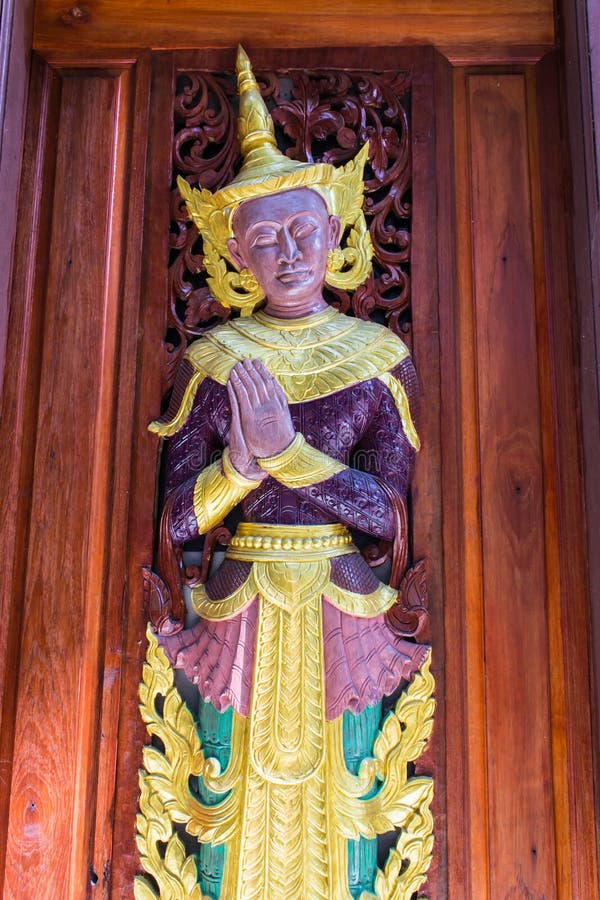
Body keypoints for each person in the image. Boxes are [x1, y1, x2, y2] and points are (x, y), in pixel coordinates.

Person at [148, 46, 429, 900]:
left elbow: (387, 515)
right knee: (227, 789)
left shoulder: (377, 358)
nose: (288, 252)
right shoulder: (217, 359)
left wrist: (289, 459)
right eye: (263, 239)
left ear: (338, 232)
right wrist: (237, 468)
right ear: (234, 256)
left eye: (303, 229)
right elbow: (173, 524)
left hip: (344, 600)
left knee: (347, 794)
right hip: (239, 604)